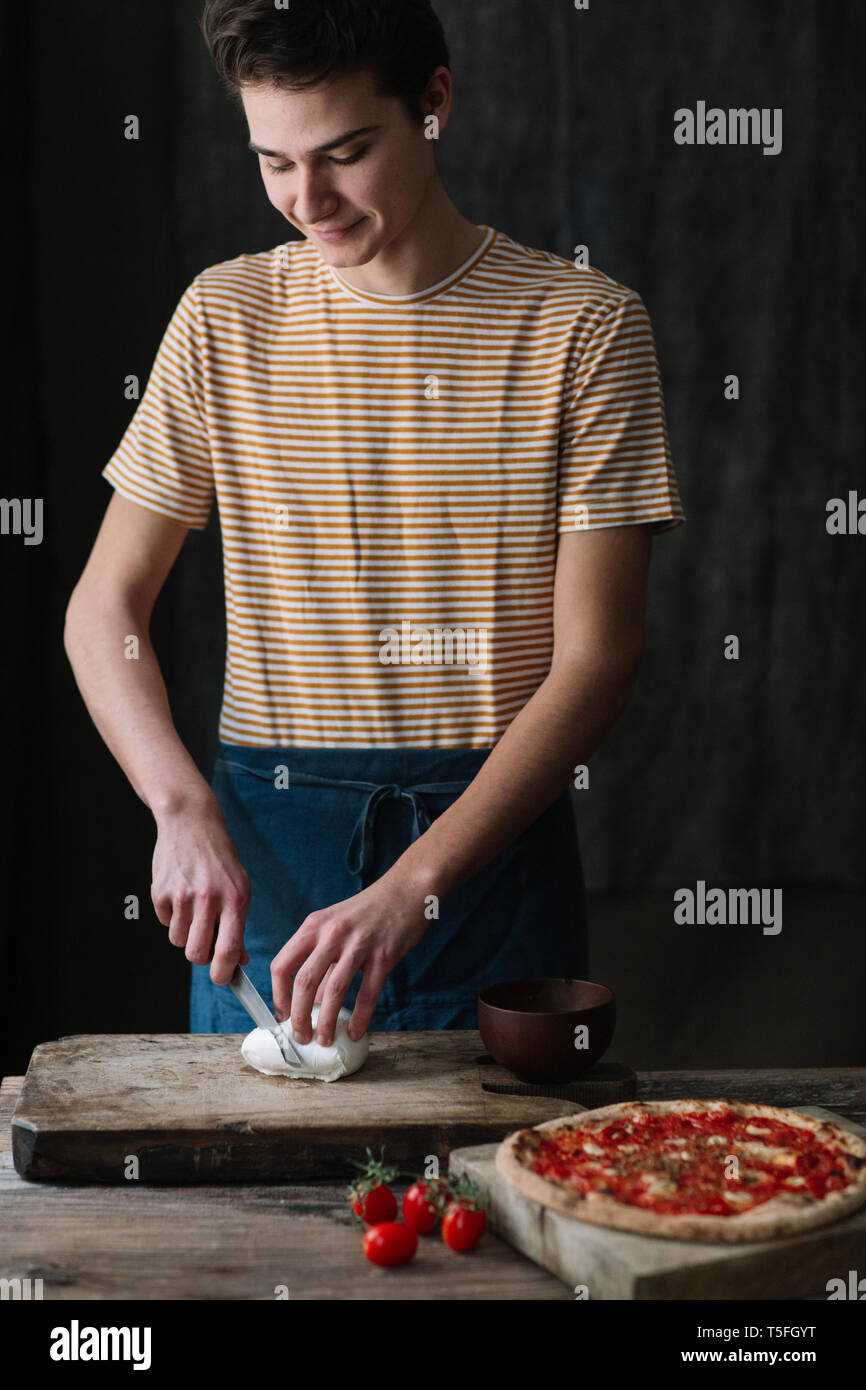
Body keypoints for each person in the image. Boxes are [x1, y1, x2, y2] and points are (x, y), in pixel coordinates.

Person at [64, 0, 685, 1051]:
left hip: (487, 851)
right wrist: (177, 807)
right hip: (267, 849)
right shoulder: (222, 317)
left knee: (496, 1157)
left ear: (433, 103)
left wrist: (413, 887)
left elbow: (598, 660)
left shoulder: (583, 327)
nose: (307, 201)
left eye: (345, 154)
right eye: (274, 163)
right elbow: (103, 608)